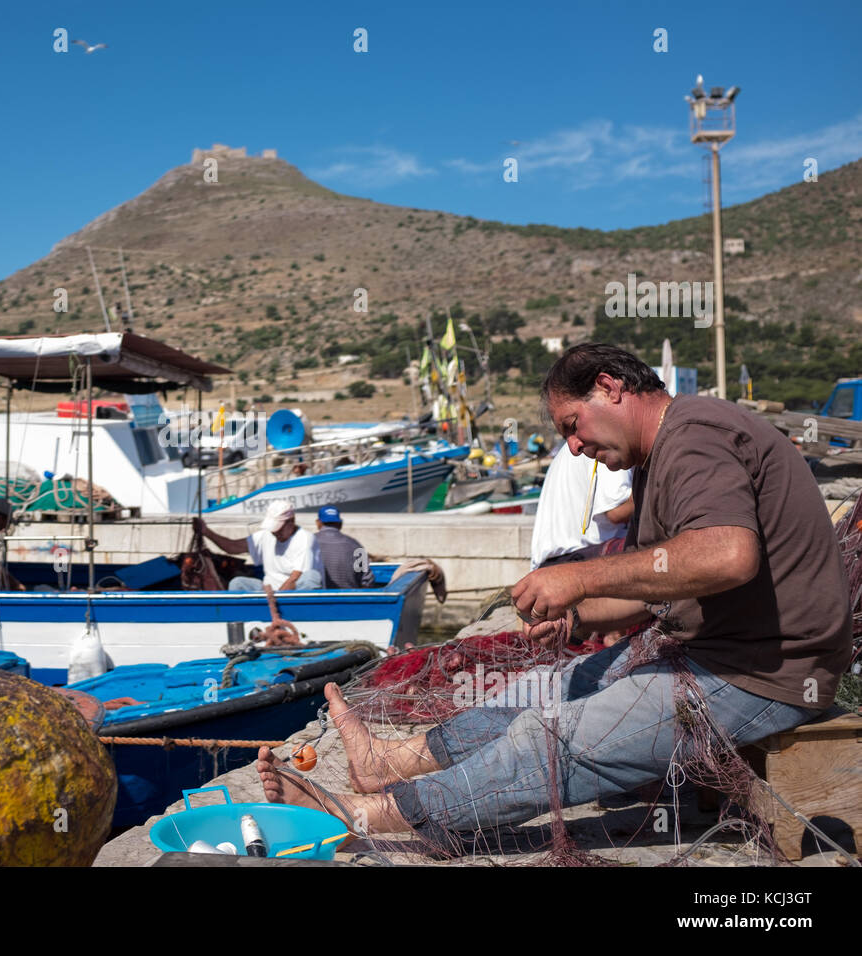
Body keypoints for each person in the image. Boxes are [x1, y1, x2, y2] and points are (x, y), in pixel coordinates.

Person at [256, 343, 851, 842]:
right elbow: (659, 589)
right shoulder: (659, 456)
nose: (572, 447)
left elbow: (726, 554)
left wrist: (580, 576)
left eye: (572, 425)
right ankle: (388, 763)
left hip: (766, 674)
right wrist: (578, 612)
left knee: (550, 739)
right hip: (715, 654)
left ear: (611, 387)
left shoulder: (695, 435)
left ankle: (363, 815)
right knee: (541, 690)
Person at [529, 440, 634, 570]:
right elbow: (617, 513)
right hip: (572, 561)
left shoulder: (579, 446)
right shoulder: (609, 443)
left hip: (555, 561)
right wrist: (652, 486)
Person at [192, 500, 320, 591]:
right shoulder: (266, 535)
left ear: (291, 522)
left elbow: (295, 578)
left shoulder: (305, 538)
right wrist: (206, 532)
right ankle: (238, 620)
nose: (276, 533)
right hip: (268, 591)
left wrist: (277, 601)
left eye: (279, 529)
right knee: (238, 583)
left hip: (292, 595)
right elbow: (232, 547)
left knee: (310, 578)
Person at [313, 505, 375, 588]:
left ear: (318, 522)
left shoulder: (308, 543)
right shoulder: (355, 545)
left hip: (316, 599)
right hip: (350, 598)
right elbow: (367, 580)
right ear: (340, 523)